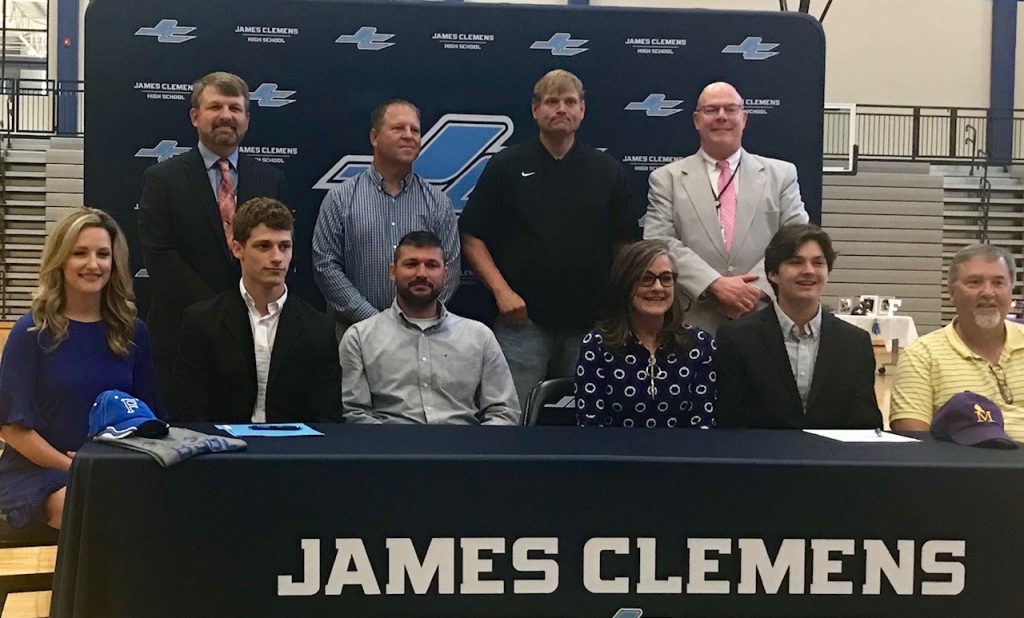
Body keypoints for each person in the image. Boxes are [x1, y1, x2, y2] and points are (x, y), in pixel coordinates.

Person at [459, 69, 637, 408]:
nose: (561, 109)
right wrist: (502, 292)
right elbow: (472, 236)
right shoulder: (507, 166)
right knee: (508, 415)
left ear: (582, 110)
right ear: (535, 110)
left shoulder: (606, 170)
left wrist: (616, 307)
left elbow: (625, 246)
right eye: (552, 101)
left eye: (570, 102)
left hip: (590, 323)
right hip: (522, 323)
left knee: (587, 419)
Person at [0, 207, 160, 529]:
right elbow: (12, 430)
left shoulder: (134, 332)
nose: (93, 264)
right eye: (80, 253)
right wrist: (74, 467)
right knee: (94, 506)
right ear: (60, 260)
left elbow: (150, 419)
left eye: (103, 254)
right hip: (38, 472)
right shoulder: (30, 333)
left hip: (113, 469)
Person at [138, 71, 286, 413]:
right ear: (195, 116)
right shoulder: (162, 179)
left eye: (235, 108)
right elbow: (160, 257)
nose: (226, 116)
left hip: (256, 337)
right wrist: (221, 310)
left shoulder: (271, 179)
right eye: (215, 106)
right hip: (182, 337)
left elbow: (278, 252)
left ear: (247, 119)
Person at [644, 81, 809, 334]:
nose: (721, 117)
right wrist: (714, 284)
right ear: (696, 120)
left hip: (764, 317)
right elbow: (659, 242)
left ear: (744, 118)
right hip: (693, 323)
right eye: (711, 110)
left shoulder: (782, 176)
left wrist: (754, 290)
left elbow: (797, 240)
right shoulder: (667, 179)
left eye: (730, 109)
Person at [173, 198, 341, 423]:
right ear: (237, 248)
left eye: (284, 246)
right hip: (222, 452)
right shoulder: (202, 322)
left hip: (295, 452)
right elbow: (190, 410)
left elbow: (326, 418)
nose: (277, 258)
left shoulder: (318, 327)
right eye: (264, 246)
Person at [313, 99, 460, 339]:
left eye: (415, 130)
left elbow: (450, 266)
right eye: (398, 128)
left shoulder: (438, 202)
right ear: (374, 137)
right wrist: (373, 321)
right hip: (356, 332)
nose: (409, 136)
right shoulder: (341, 198)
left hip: (422, 336)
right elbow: (325, 265)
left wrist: (418, 317)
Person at [340, 231, 519, 425]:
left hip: (464, 449)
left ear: (445, 274)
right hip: (391, 449)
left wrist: (475, 450)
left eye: (432, 265)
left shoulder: (479, 336)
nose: (421, 274)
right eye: (411, 264)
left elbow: (503, 411)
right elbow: (355, 414)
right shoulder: (359, 337)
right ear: (393, 272)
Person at [715, 224, 881, 428]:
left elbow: (865, 423)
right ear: (773, 273)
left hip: (831, 457)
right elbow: (730, 421)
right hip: (762, 456)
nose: (809, 271)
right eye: (796, 262)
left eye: (818, 263)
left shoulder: (855, 343)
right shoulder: (737, 339)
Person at [575, 240, 716, 428]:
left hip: (683, 454)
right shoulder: (597, 345)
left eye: (666, 278)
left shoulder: (700, 344)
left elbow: (704, 424)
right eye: (645, 278)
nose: (657, 287)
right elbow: (590, 424)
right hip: (613, 453)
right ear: (625, 283)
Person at [890, 244, 1024, 440]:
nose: (988, 292)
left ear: (1011, 291)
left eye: (998, 283)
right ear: (951, 293)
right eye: (974, 282)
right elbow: (915, 445)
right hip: (971, 468)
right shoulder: (921, 356)